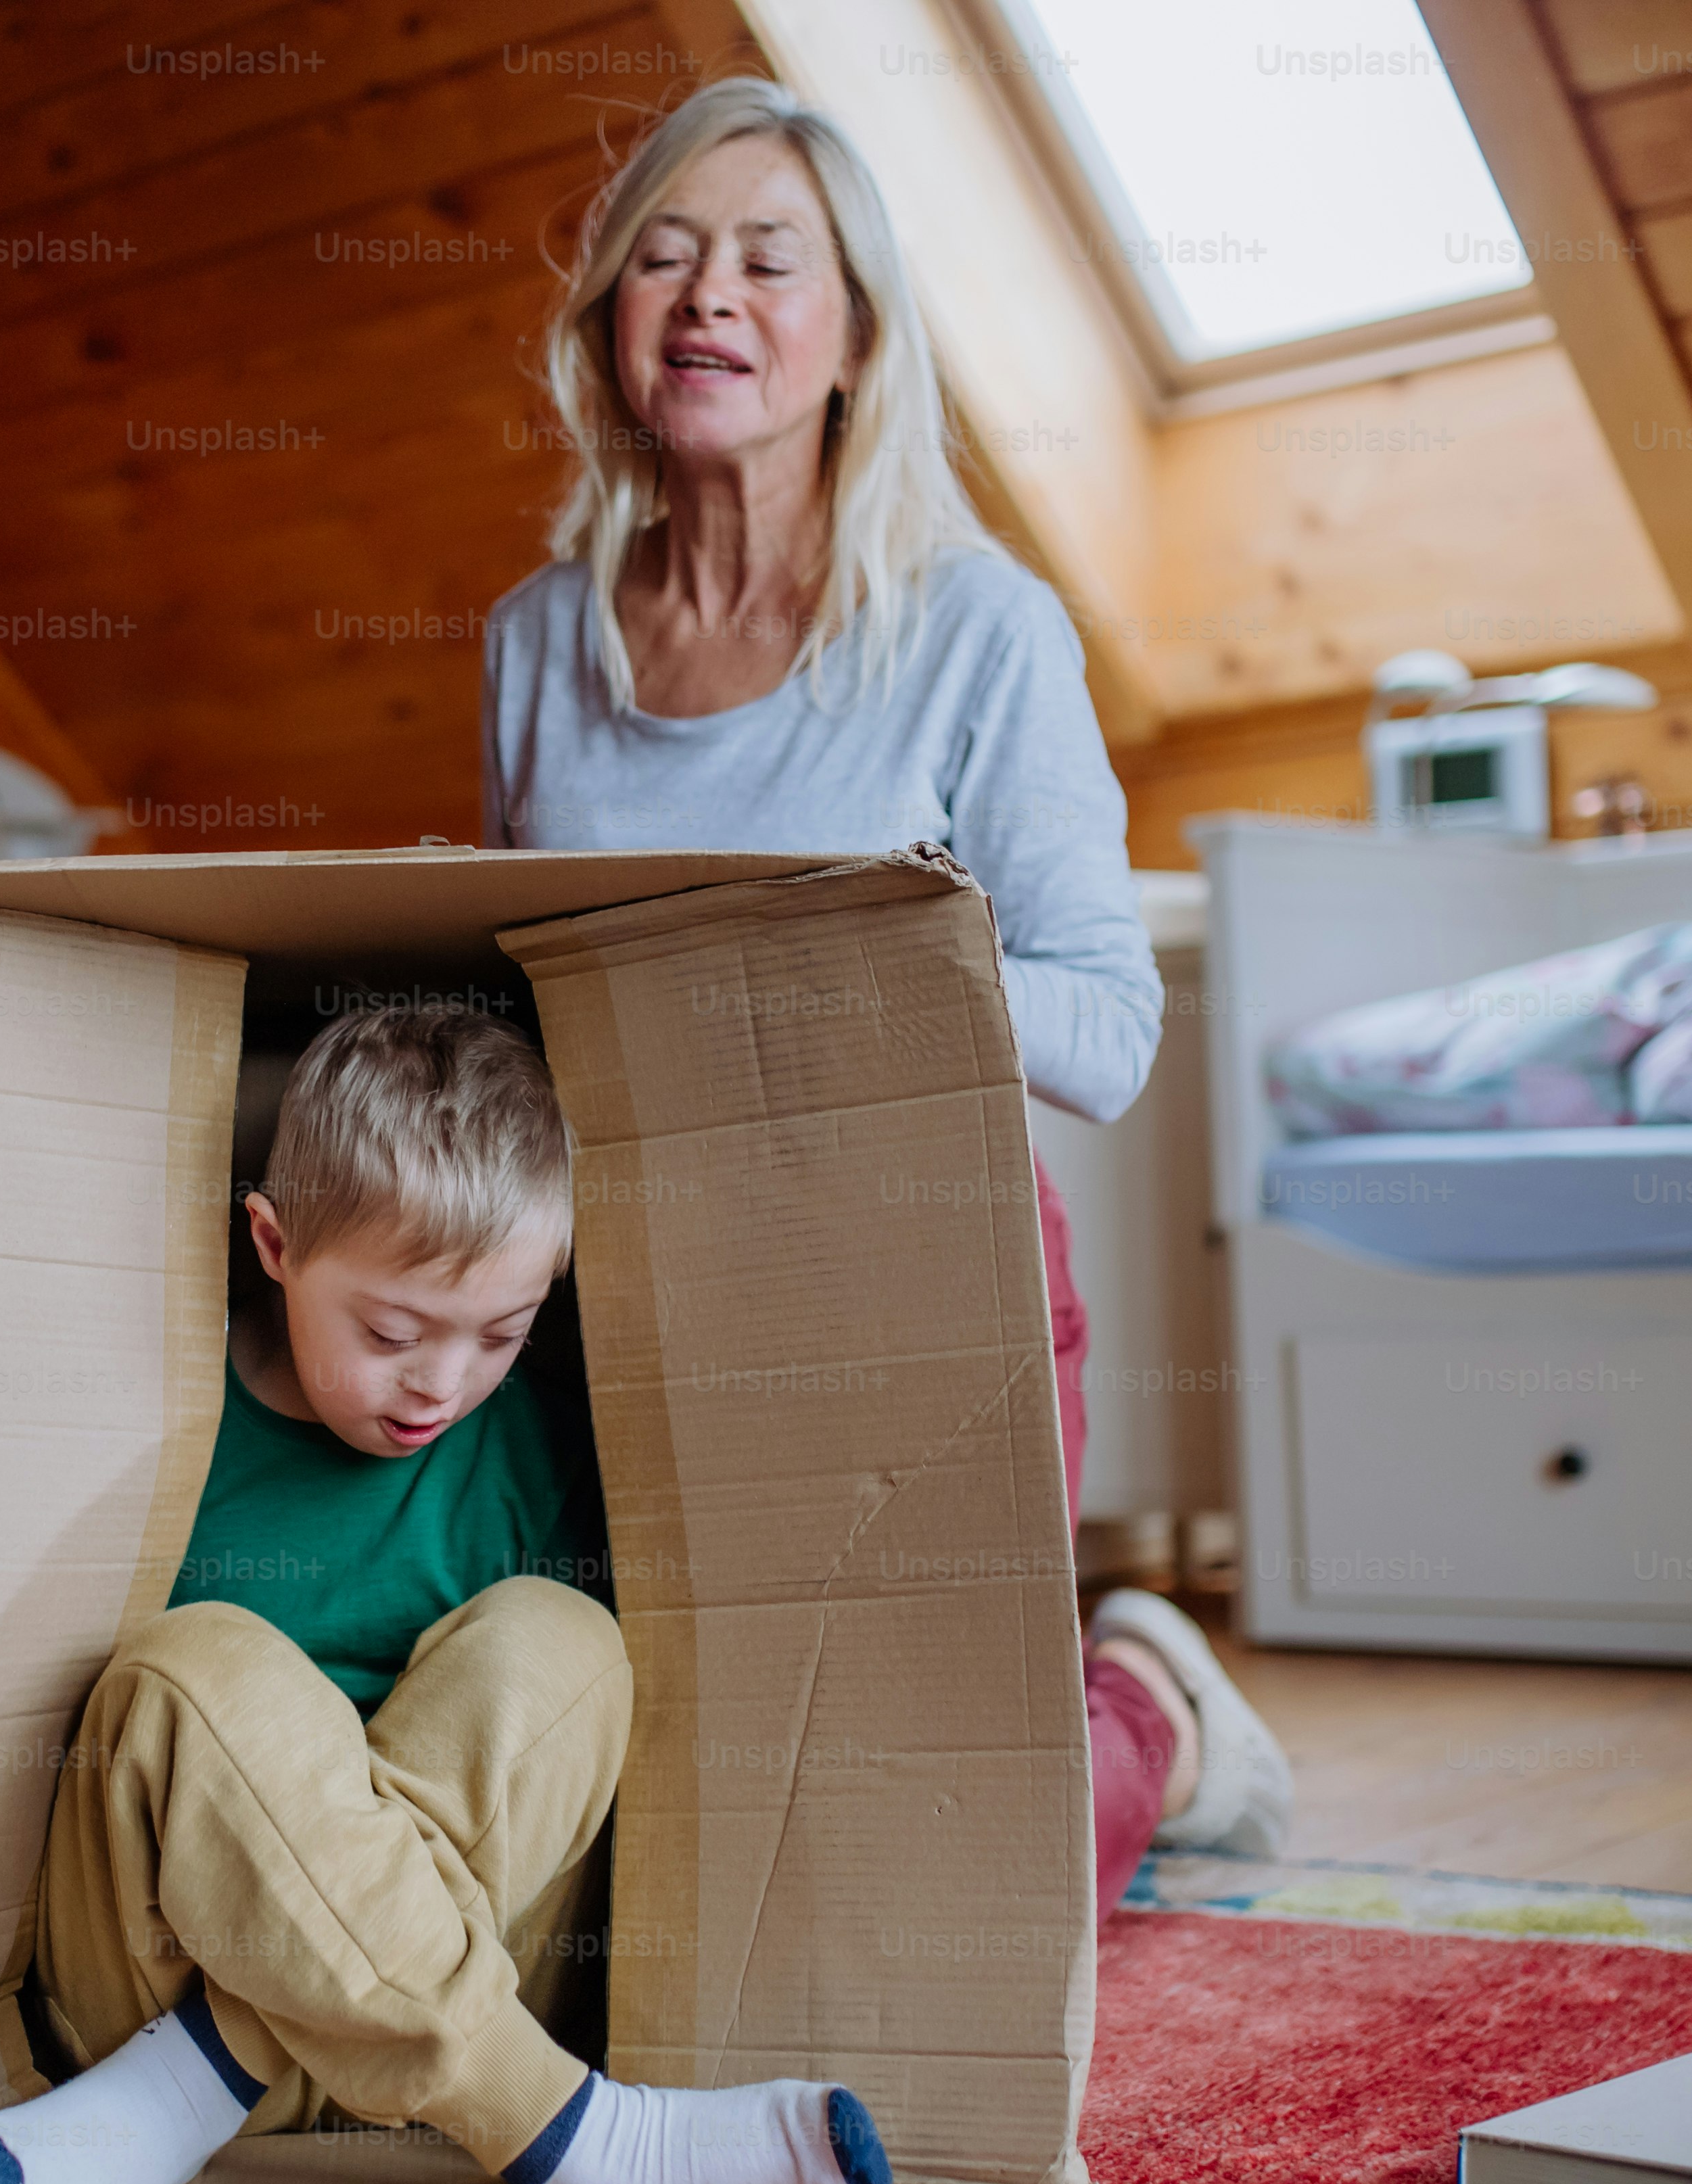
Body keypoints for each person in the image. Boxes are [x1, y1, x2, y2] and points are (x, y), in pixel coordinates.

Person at [481, 78, 1292, 1899]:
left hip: (935, 1302)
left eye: (773, 260)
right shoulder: (536, 642)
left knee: (938, 1877)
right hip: (640, 1310)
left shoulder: (976, 628)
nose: (711, 300)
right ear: (607, 320)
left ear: (854, 332)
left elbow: (1107, 1027)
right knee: (645, 1858)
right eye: (664, 260)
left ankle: (1145, 1694)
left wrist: (850, 970)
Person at [0, 1005, 893, 2184]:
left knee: (568, 1640)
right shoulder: (160, 1415)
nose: (443, 1383)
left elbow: (563, 1753)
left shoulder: (542, 1445)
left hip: (323, 2058)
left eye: (501, 1332)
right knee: (197, 1668)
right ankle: (574, 2132)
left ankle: (202, 2078)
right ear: (274, 1246)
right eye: (392, 1333)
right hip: (151, 1980)